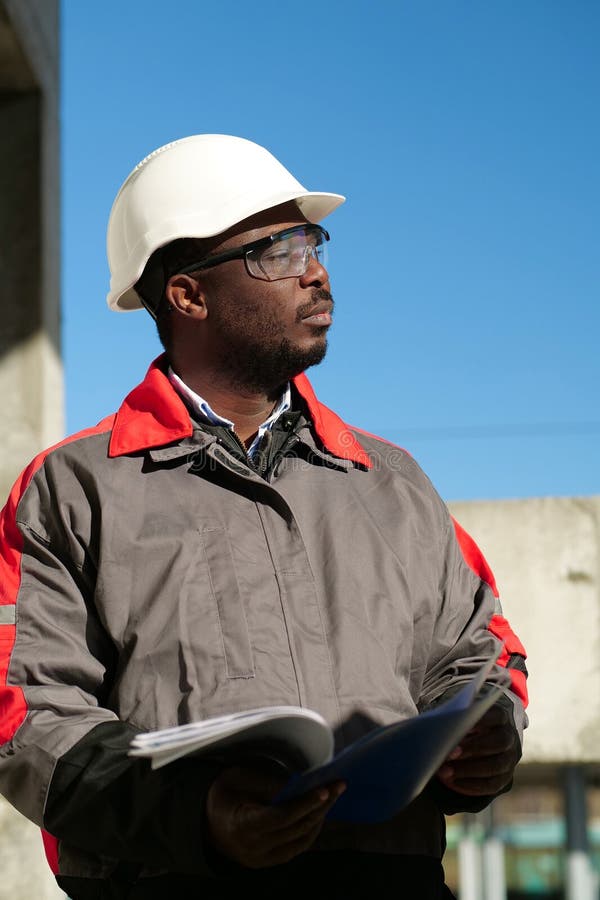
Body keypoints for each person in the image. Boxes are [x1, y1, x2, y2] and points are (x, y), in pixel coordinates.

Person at [0, 134, 528, 900]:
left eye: (311, 242)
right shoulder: (71, 490)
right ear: (188, 295)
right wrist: (199, 816)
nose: (314, 270)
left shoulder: (394, 482)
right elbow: (25, 715)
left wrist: (488, 741)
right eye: (275, 251)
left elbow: (484, 654)